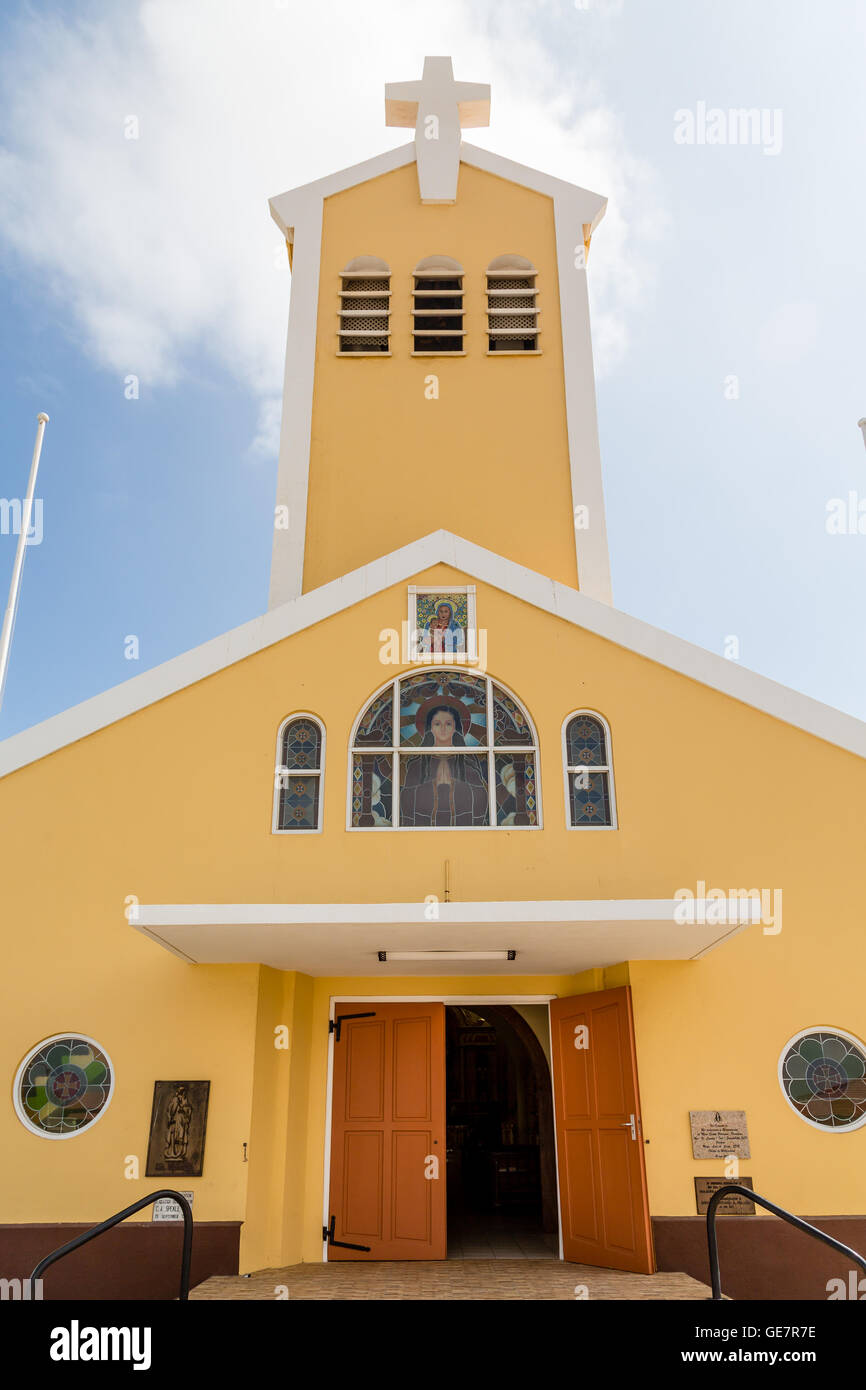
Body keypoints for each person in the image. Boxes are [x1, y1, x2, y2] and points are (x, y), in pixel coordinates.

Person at [400, 704, 487, 826]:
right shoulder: (418, 763)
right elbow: (407, 799)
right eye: (437, 724)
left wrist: (457, 786)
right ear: (429, 728)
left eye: (448, 724)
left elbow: (480, 796)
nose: (443, 728)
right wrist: (431, 786)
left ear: (455, 727)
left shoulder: (466, 760)